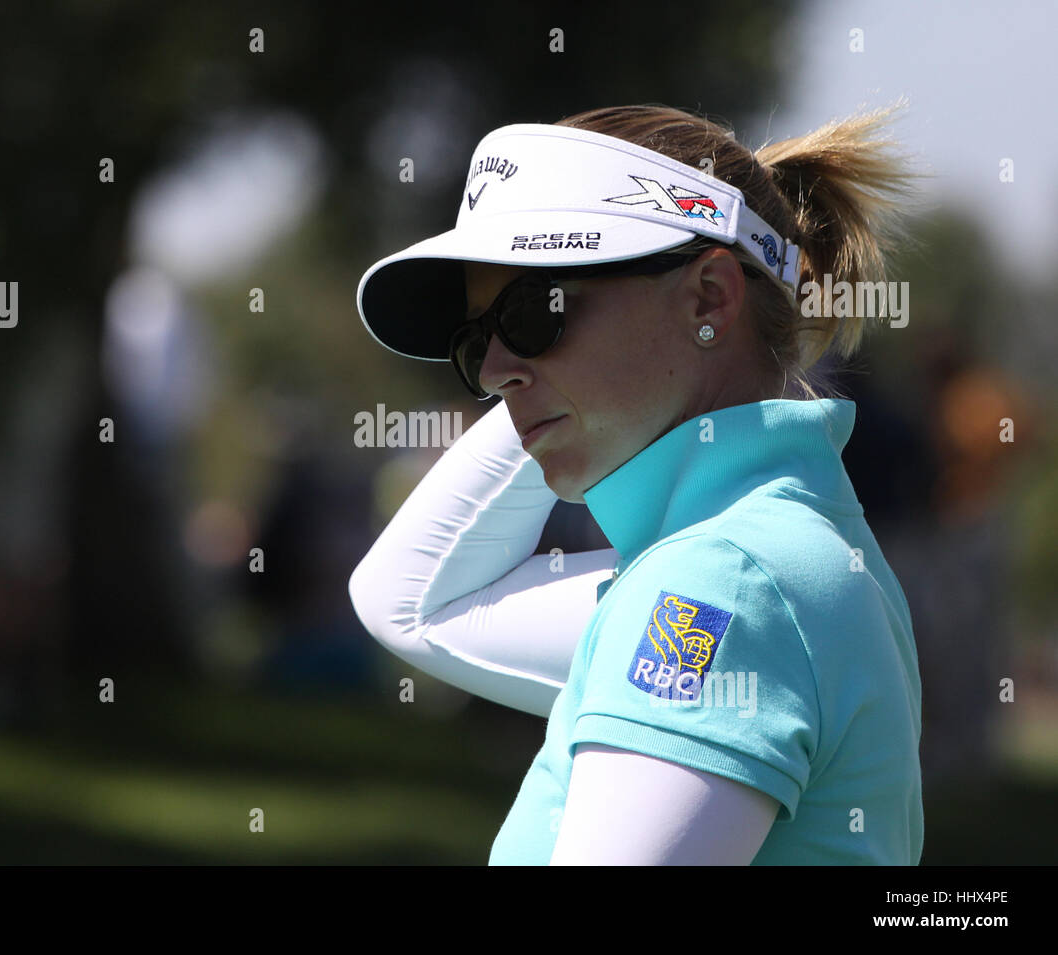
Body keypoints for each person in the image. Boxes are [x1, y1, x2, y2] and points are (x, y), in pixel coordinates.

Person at [347, 103, 927, 865]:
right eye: (478, 338)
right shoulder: (766, 554)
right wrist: (558, 387)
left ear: (709, 298)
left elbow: (417, 603)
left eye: (535, 311)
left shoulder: (719, 582)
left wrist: (570, 392)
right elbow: (414, 602)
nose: (491, 374)